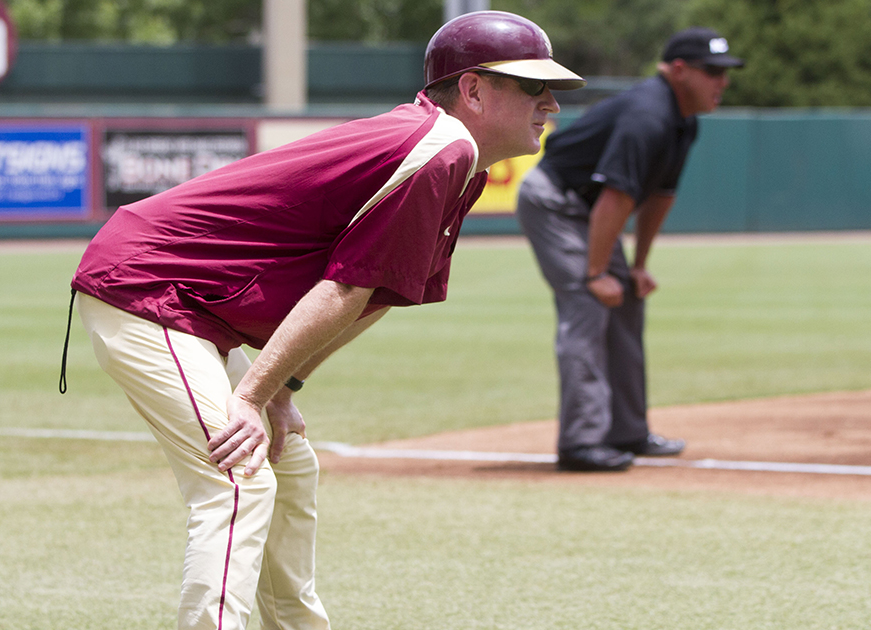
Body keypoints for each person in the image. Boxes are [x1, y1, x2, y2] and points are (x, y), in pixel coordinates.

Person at [66, 11, 584, 630]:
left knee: (289, 463)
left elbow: (375, 295)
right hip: (149, 287)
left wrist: (280, 390)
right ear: (473, 89)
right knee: (240, 479)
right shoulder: (441, 147)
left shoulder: (456, 158)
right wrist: (253, 395)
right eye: (532, 85)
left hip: (190, 301)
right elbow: (344, 287)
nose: (550, 101)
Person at [516, 27, 743, 472]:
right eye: (713, 71)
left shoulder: (683, 120)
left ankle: (627, 431)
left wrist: (637, 267)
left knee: (627, 300)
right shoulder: (649, 115)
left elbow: (659, 196)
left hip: (591, 210)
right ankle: (580, 443)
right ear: (679, 71)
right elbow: (615, 199)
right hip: (555, 201)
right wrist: (596, 272)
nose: (723, 81)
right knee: (588, 301)